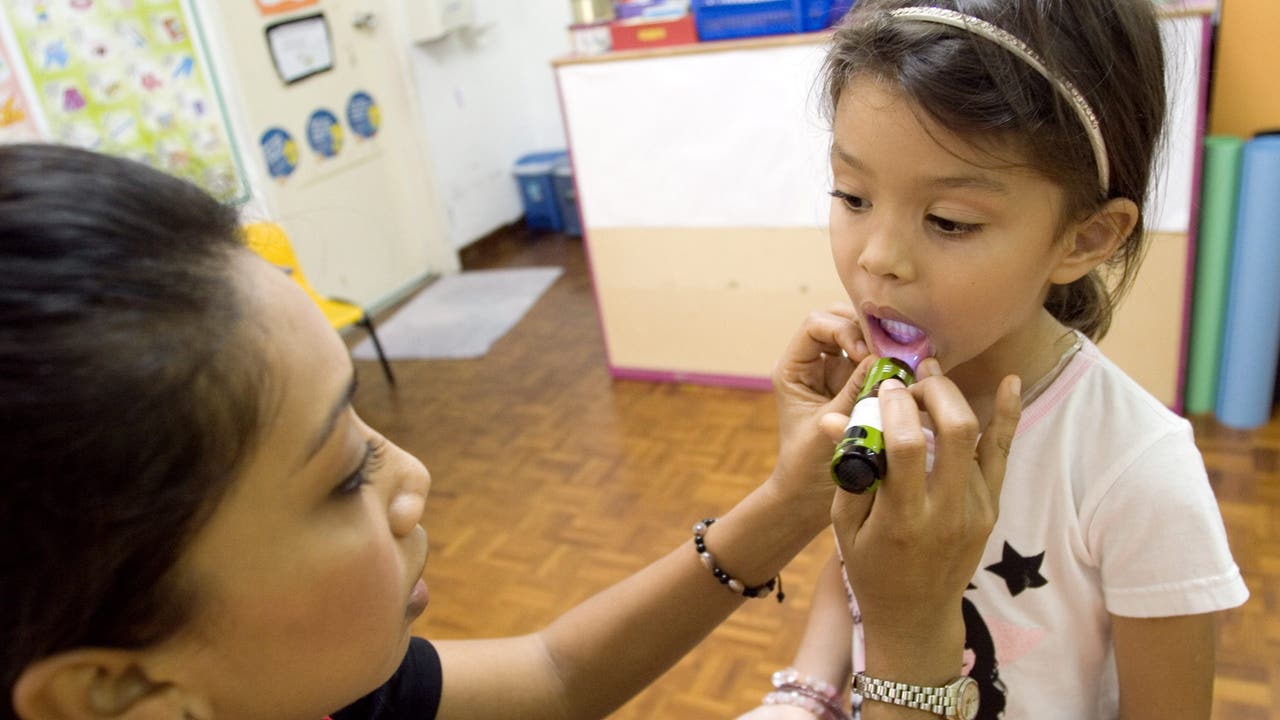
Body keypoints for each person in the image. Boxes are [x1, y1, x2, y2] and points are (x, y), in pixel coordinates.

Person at [1, 142, 1022, 720]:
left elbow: (555, 678)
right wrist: (911, 628)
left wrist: (787, 504)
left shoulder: (302, 691)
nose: (414, 474)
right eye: (341, 477)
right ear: (115, 688)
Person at [736, 1, 1248, 719]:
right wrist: (806, 695)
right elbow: (856, 568)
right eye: (852, 195)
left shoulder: (1138, 472)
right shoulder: (876, 397)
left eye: (950, 221)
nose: (877, 259)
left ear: (1086, 238)